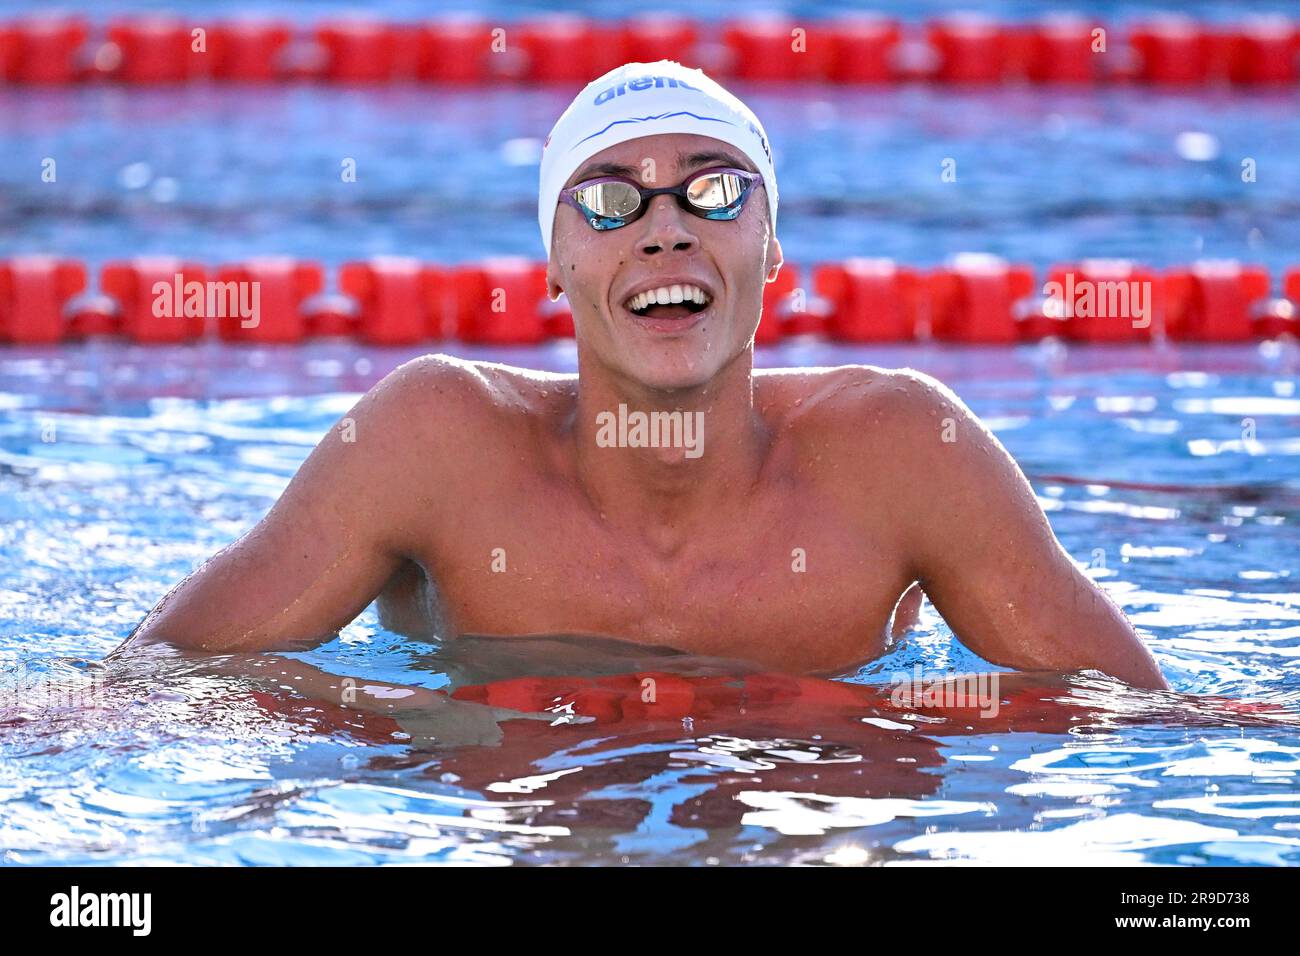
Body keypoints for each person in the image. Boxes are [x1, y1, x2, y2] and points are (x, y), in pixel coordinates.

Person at [114, 60, 1169, 690]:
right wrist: (389, 716)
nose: (664, 229)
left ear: (772, 249)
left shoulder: (899, 455)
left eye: (713, 192)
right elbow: (161, 679)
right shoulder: (433, 440)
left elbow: (1134, 721)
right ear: (558, 265)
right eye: (610, 202)